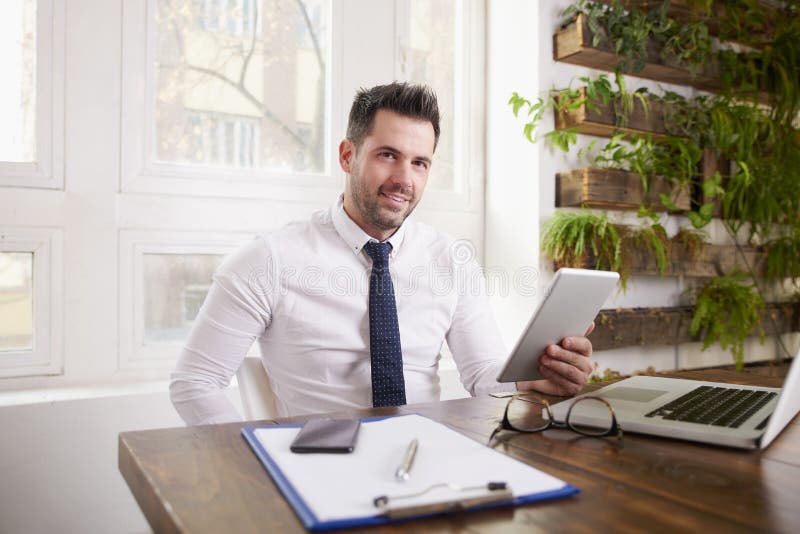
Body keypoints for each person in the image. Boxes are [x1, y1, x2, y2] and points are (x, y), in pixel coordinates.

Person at [170, 82, 594, 424]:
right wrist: (262, 460)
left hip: (426, 455)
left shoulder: (451, 260)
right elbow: (195, 382)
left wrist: (533, 383)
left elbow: (484, 377)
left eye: (419, 163)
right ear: (347, 155)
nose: (403, 179)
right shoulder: (268, 260)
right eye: (388, 155)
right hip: (320, 466)